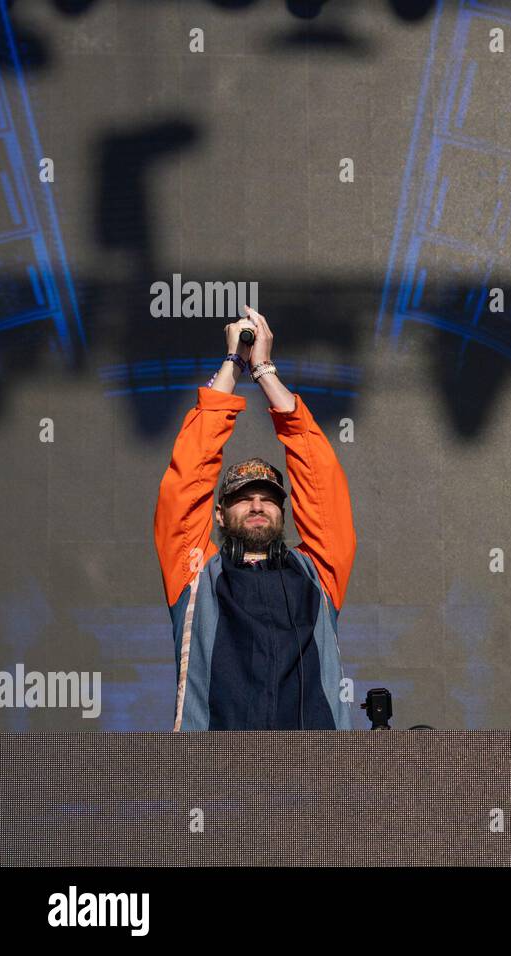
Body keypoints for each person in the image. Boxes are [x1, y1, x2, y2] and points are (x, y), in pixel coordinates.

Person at [154, 308, 356, 730]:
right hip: (212, 780)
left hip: (317, 777)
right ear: (220, 515)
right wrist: (232, 363)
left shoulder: (319, 570)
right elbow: (189, 475)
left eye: (269, 498)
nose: (259, 505)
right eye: (244, 499)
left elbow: (319, 477)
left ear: (284, 511)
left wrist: (263, 369)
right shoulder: (192, 575)